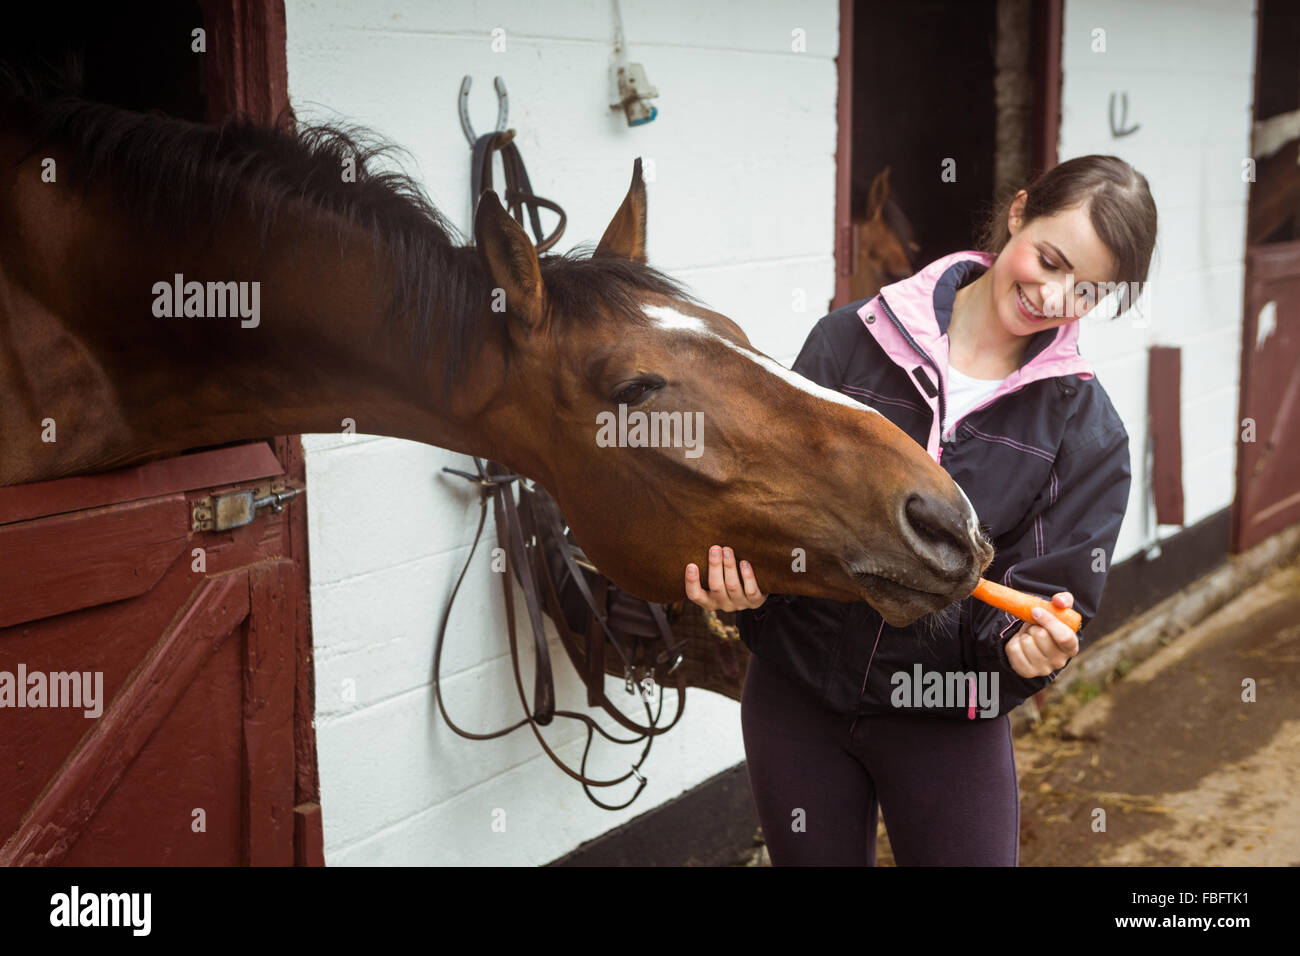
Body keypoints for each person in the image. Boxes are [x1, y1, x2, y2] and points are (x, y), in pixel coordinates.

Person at [684, 155, 1156, 866]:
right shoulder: (848, 342)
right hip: (796, 696)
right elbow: (771, 503)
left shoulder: (1085, 431)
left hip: (946, 718)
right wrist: (744, 583)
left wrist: (1025, 646)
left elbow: (1044, 594)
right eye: (1050, 260)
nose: (1054, 296)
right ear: (1019, 212)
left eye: (1085, 289)